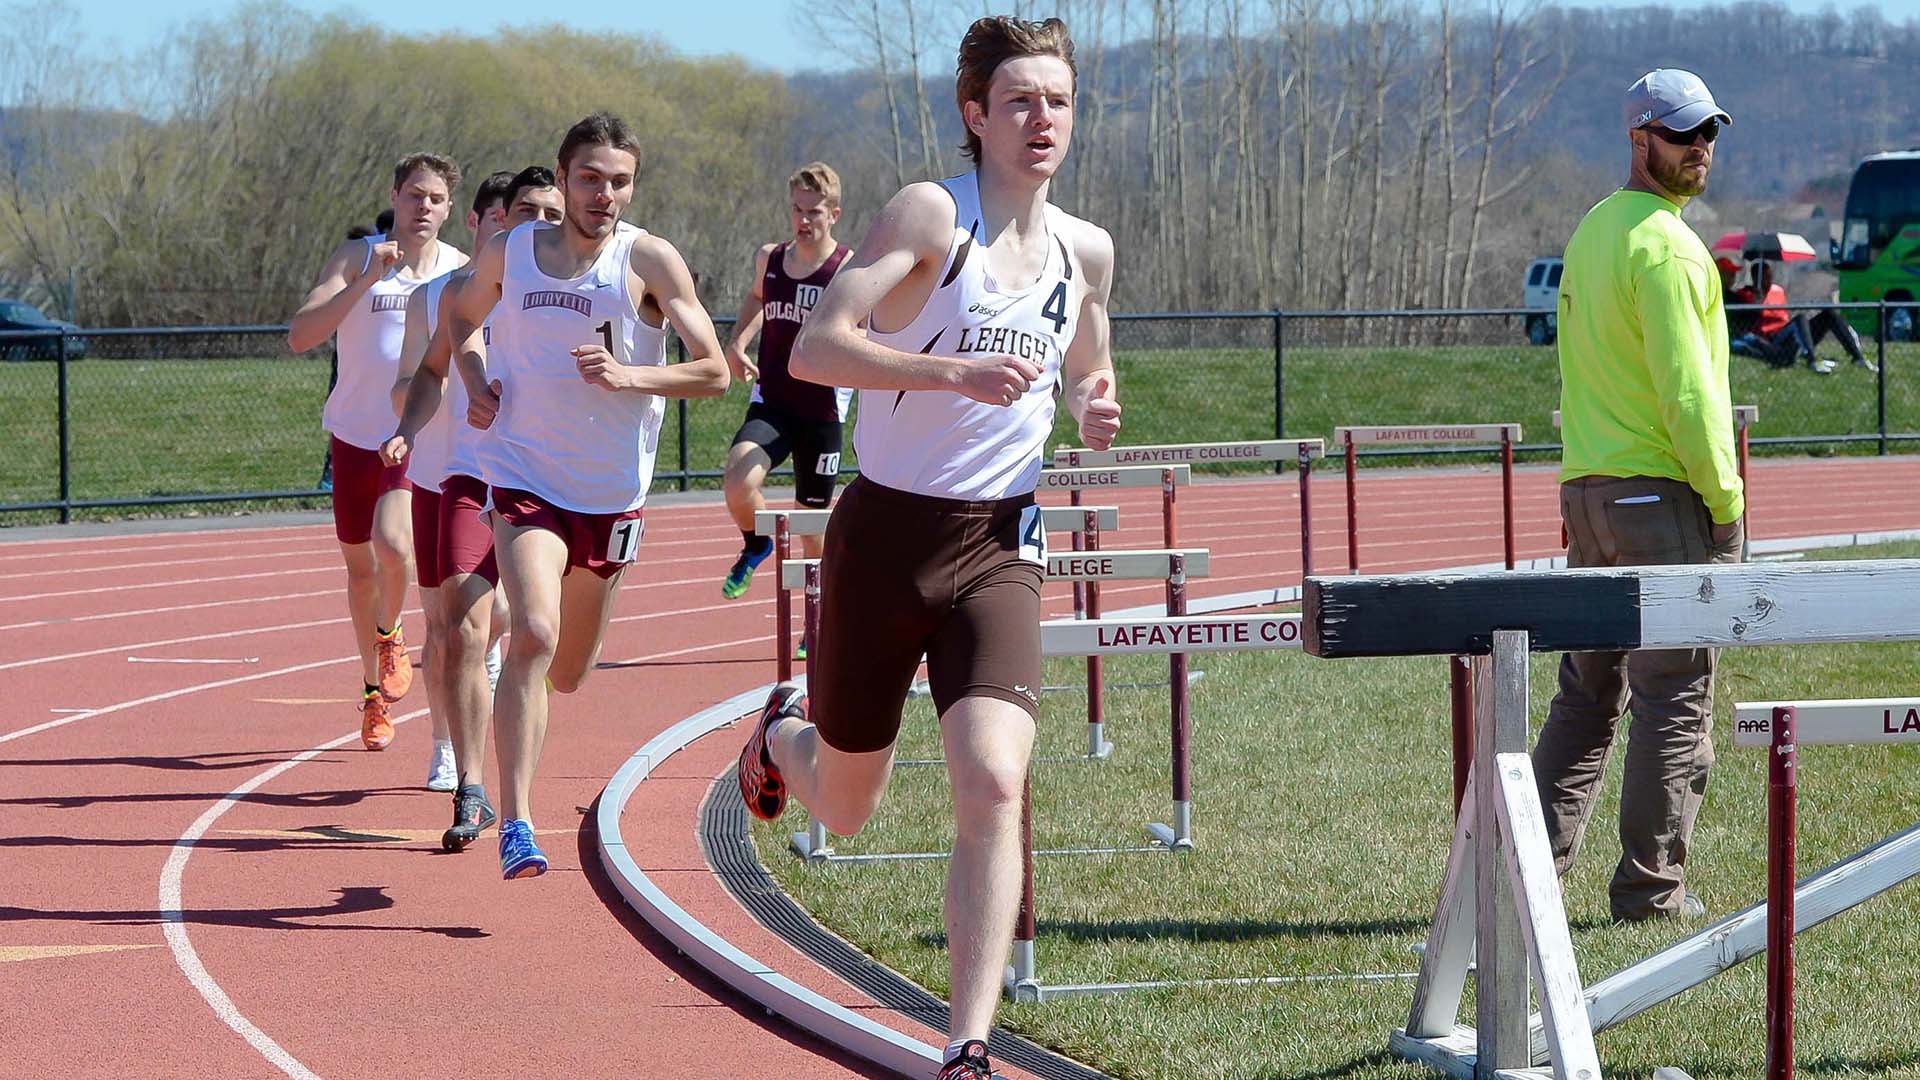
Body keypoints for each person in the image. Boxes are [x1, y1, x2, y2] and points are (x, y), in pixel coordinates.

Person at [734, 17, 1122, 1080]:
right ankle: (779, 742)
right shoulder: (929, 215)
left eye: (1059, 100)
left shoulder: (1083, 248)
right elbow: (816, 348)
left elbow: (1089, 348)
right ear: (975, 115)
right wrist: (947, 372)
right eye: (1020, 102)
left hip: (999, 541)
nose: (1042, 120)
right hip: (887, 536)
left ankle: (966, 1046)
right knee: (849, 806)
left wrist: (1096, 398)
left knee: (996, 782)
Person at [449, 112, 730, 879]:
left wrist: (631, 376)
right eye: (589, 178)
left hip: (609, 495)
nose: (604, 194)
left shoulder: (649, 261)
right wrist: (475, 382)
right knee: (534, 633)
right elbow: (461, 317)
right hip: (525, 475)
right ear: (563, 177)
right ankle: (517, 823)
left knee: (569, 669)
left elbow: (715, 372)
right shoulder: (513, 253)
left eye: (619, 181)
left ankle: (530, 704)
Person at [1536, 68, 1745, 923]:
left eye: (1710, 135)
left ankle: (1525, 874)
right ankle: (1651, 894)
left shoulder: (1592, 233)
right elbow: (1688, 394)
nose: (1701, 150)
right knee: (1676, 694)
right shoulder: (1666, 244)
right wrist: (1726, 502)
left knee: (1586, 697)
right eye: (1684, 133)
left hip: (1590, 493)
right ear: (1640, 137)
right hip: (1661, 500)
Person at [383, 166, 566, 849]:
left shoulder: (578, 294)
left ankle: (497, 733)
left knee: (544, 644)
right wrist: (406, 426)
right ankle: (472, 784)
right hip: (464, 472)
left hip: (555, 483)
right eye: (525, 211)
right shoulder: (457, 293)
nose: (538, 224)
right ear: (497, 221)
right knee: (453, 623)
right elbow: (433, 366)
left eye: (553, 213)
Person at [289, 154, 467, 751]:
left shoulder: (458, 272)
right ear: (395, 196)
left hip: (410, 437)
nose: (423, 207)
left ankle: (391, 635)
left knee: (394, 546)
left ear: (449, 210)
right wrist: (367, 279)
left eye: (435, 198)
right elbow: (301, 335)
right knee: (360, 569)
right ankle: (372, 694)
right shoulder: (357, 257)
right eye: (414, 195)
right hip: (352, 436)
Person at [719, 164, 854, 641]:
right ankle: (755, 542)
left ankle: (815, 624)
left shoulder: (847, 269)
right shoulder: (770, 257)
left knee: (810, 529)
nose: (803, 220)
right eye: (796, 209)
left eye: (814, 212)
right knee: (738, 480)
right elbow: (757, 298)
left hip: (822, 412)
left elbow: (870, 326)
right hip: (773, 402)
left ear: (833, 214)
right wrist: (738, 343)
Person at [321, 222, 383, 493]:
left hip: (412, 429)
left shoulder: (453, 266)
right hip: (355, 426)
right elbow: (300, 336)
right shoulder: (356, 266)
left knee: (392, 532)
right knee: (354, 536)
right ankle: (329, 472)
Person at [1725, 259, 1872, 374]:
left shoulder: (1777, 291)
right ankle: (1812, 361)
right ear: (1755, 277)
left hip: (1788, 333)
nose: (1768, 280)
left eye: (1770, 276)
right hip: (1772, 339)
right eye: (1764, 277)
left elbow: (1784, 315)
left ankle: (1857, 357)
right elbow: (1745, 319)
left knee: (1829, 313)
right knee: (1800, 319)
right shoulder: (1746, 294)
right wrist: (1756, 300)